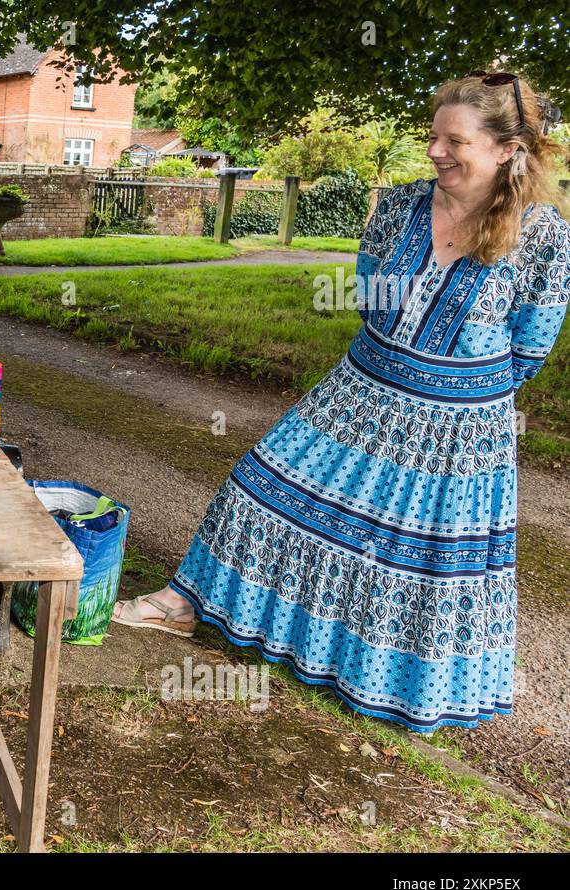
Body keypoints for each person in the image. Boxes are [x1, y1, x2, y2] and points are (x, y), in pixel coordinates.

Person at [114, 72, 570, 733]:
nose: (436, 152)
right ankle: (182, 603)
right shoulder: (403, 206)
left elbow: (530, 348)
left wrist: (452, 391)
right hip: (362, 389)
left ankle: (388, 681)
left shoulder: (545, 237)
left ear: (505, 149)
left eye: (455, 140)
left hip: (459, 430)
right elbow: (369, 291)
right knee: (259, 489)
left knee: (413, 560)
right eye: (433, 137)